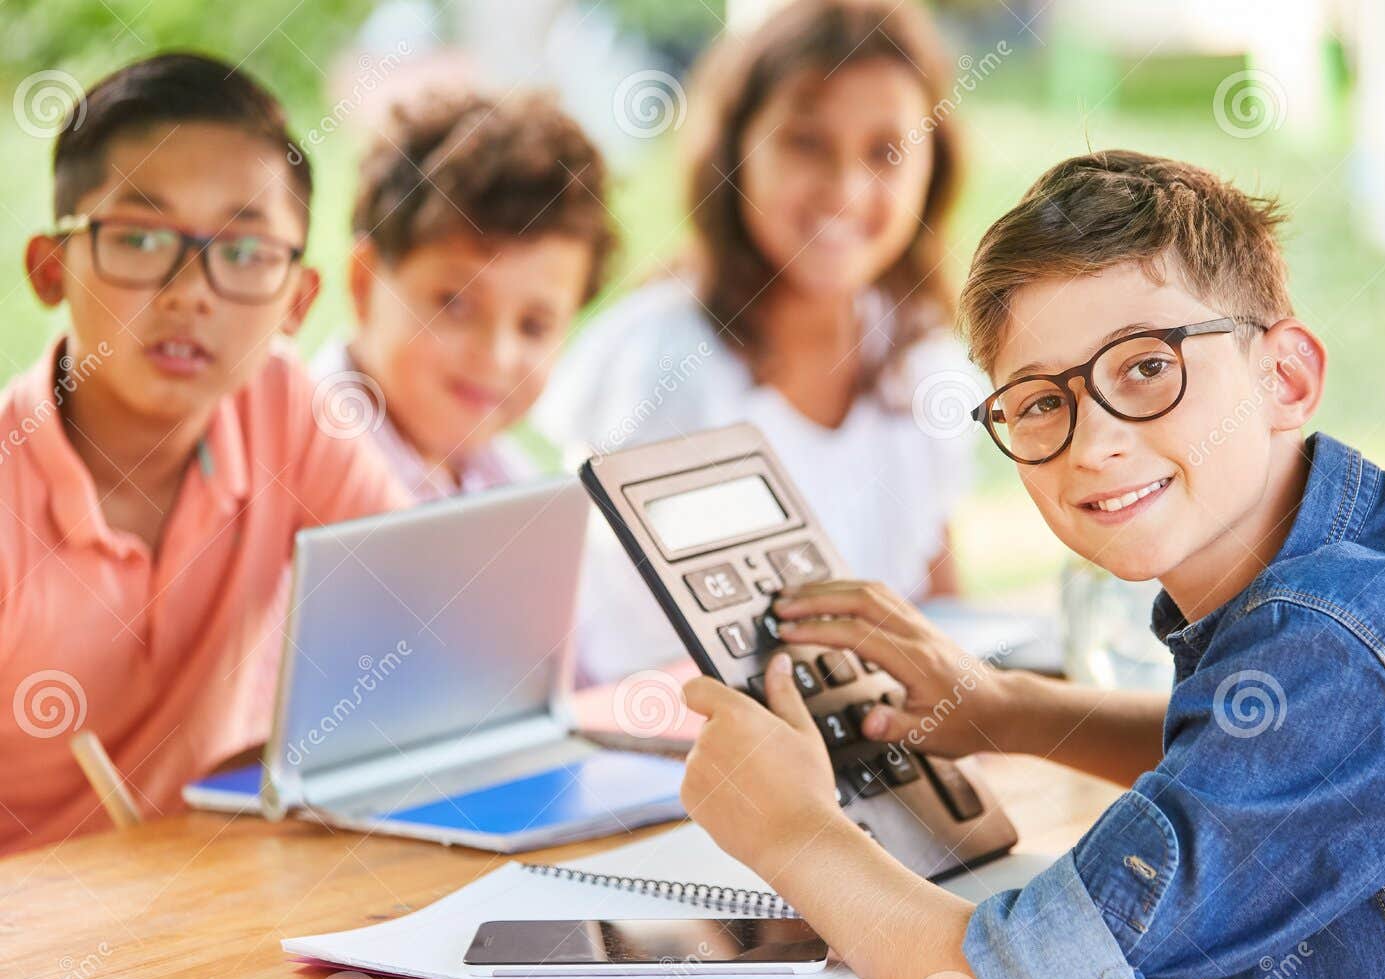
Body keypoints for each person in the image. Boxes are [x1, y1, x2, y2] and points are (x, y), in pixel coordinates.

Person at [675, 151, 1385, 979]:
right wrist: (1008, 709)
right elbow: (1250, 767)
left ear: (1285, 377)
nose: (1096, 443)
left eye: (1148, 366)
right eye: (1040, 401)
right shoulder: (1358, 554)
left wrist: (792, 828)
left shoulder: (1334, 652)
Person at [0, 53, 408, 856]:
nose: (190, 290)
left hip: (225, 887)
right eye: (140, 237)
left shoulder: (285, 412)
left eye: (246, 251)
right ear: (50, 269)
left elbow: (427, 618)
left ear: (298, 300)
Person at [540, 0, 979, 684]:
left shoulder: (919, 362)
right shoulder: (659, 361)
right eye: (806, 143)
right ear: (734, 152)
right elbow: (670, 655)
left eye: (885, 152)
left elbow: (939, 610)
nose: (845, 189)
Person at [316, 88, 614, 499]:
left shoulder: (508, 478)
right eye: (455, 304)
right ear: (363, 282)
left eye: (534, 326)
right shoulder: (300, 461)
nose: (496, 356)